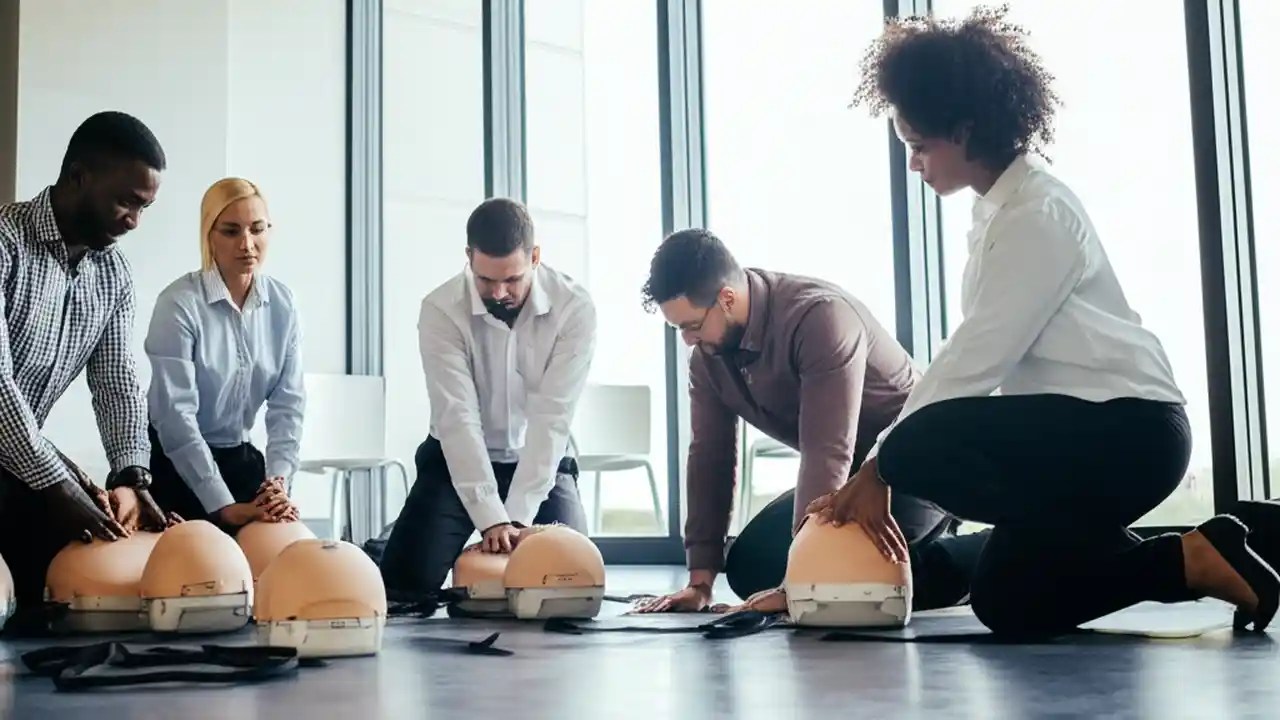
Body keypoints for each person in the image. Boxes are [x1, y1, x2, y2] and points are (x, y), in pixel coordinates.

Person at [811, 5, 1278, 637]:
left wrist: (879, 467)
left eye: (920, 146)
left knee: (918, 444)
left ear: (966, 130)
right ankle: (1193, 559)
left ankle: (1192, 541)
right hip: (1084, 436)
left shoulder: (1037, 215)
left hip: (1129, 434)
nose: (914, 164)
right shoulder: (1000, 212)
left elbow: (975, 358)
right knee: (1008, 599)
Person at [634, 229, 987, 615]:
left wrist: (796, 587)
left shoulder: (820, 318)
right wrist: (700, 584)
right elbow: (709, 459)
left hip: (914, 467)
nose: (687, 340)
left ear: (727, 299)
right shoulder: (707, 357)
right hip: (852, 477)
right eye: (678, 328)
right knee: (751, 567)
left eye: (692, 325)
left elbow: (826, 450)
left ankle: (982, 553)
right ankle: (850, 568)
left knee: (834, 583)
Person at [0, 111, 180, 620]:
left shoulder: (114, 274)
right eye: (126, 201)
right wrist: (55, 484)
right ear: (79, 177)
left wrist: (133, 475)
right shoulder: (4, 245)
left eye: (145, 208)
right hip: (15, 454)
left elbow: (118, 381)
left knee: (96, 540)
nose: (133, 221)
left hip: (17, 456)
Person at [378, 197, 596, 602]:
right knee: (404, 587)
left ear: (534, 256)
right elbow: (457, 417)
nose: (498, 292)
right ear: (468, 257)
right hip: (453, 459)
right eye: (485, 279)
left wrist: (515, 518)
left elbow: (553, 416)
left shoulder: (575, 308)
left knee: (571, 581)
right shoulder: (441, 309)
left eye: (512, 280)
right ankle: (389, 541)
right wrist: (491, 518)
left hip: (539, 461)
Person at [145, 177, 302, 535]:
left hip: (240, 460)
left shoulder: (283, 303)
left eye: (257, 229)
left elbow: (288, 407)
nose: (248, 244)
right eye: (231, 231)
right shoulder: (179, 304)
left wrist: (277, 484)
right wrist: (221, 505)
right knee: (201, 566)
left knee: (279, 549)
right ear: (209, 236)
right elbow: (175, 417)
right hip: (173, 464)